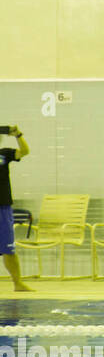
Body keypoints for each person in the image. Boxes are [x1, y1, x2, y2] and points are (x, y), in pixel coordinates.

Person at [1, 125, 32, 292]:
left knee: (8, 248)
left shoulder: (4, 153)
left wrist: (18, 135)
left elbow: (25, 151)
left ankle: (17, 283)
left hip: (3, 208)